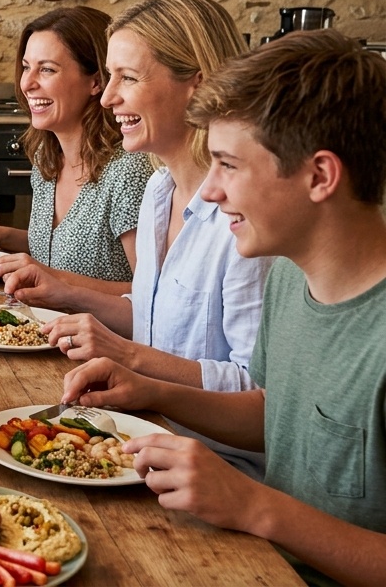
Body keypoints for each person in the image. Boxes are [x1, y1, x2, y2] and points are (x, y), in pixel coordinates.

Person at [61, 30, 386, 586]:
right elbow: (276, 415)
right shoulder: (289, 276)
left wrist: (254, 505)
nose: (208, 192)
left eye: (228, 165)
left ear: (320, 176)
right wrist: (156, 391)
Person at [8, 0, 273, 475]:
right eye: (109, 78)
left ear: (198, 84)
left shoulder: (245, 220)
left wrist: (129, 357)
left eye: (127, 78)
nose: (107, 98)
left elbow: (260, 395)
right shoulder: (158, 189)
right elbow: (153, 316)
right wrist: (71, 296)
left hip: (216, 468)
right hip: (136, 437)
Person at [0, 7, 152, 291]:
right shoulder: (47, 160)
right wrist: (1, 235)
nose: (27, 84)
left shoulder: (128, 171)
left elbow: (151, 299)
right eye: (26, 67)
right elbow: (62, 249)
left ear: (96, 81)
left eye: (46, 69)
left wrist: (53, 278)